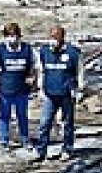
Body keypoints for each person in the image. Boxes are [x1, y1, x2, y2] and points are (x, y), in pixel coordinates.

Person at [35, 25, 85, 161]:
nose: (53, 40)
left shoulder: (73, 53)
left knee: (67, 123)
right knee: (45, 123)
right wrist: (40, 88)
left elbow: (80, 71)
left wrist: (79, 89)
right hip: (50, 94)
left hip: (67, 94)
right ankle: (41, 150)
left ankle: (67, 149)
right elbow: (41, 71)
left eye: (56, 37)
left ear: (62, 37)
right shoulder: (44, 51)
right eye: (52, 37)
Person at [0, 22, 34, 152]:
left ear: (19, 36)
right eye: (9, 36)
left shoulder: (27, 49)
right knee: (4, 117)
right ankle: (4, 142)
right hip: (5, 90)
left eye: (14, 35)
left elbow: (35, 66)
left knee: (22, 116)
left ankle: (25, 140)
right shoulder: (0, 50)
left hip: (22, 90)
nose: (12, 38)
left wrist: (32, 78)